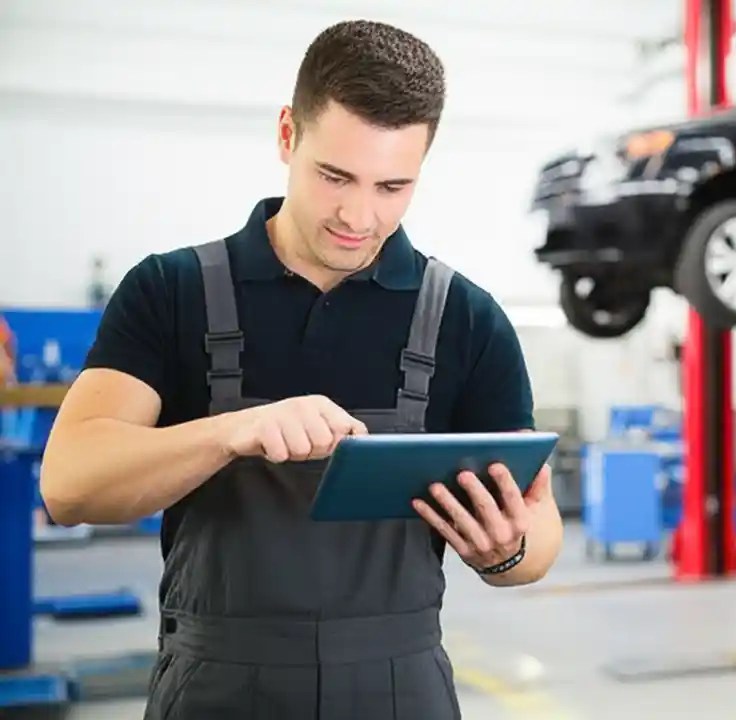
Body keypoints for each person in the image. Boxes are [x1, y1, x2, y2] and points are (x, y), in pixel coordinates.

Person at [39, 19, 563, 719]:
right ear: (288, 135)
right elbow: (70, 486)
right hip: (217, 690)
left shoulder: (466, 317)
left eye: (392, 186)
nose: (358, 214)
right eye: (334, 176)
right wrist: (231, 431)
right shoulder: (171, 291)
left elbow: (538, 533)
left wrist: (509, 550)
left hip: (399, 690)